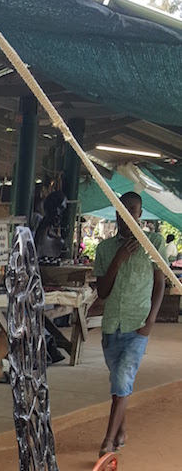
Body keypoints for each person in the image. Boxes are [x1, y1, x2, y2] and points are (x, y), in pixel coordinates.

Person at [94, 192, 165, 456]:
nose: (127, 216)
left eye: (133, 210)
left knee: (123, 378)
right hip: (112, 325)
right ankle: (121, 431)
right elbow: (102, 292)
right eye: (122, 210)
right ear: (116, 214)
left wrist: (151, 319)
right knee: (117, 382)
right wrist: (118, 258)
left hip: (138, 324)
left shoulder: (154, 242)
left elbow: (160, 283)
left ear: (140, 214)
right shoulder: (105, 248)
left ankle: (108, 440)